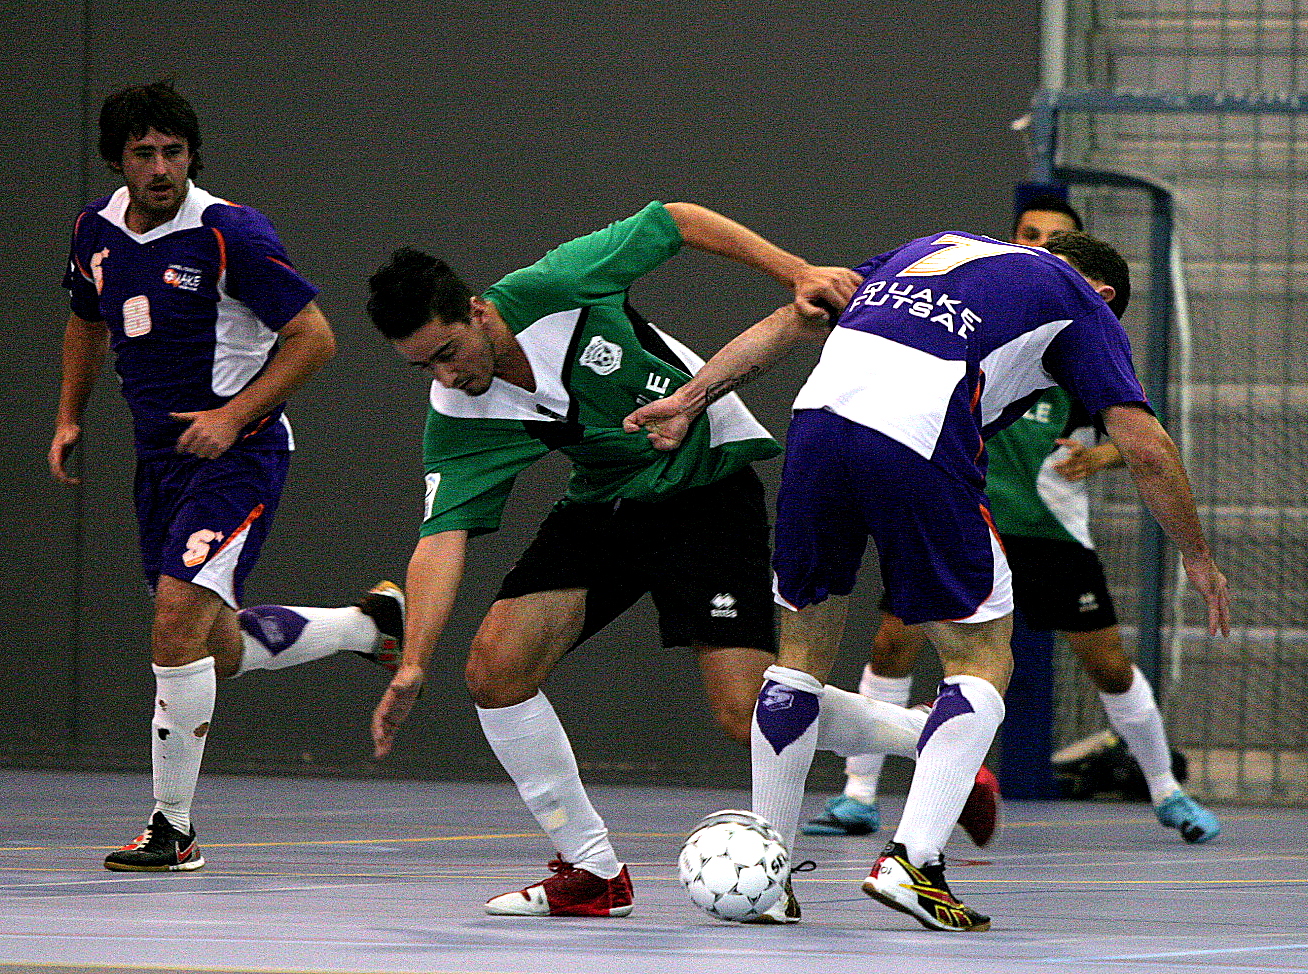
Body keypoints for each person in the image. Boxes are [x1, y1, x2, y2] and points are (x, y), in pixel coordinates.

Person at [364, 201, 997, 921]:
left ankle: (931, 740)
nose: (444, 377)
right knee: (493, 673)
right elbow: (439, 540)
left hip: (706, 486)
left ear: (478, 313)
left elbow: (679, 220)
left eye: (447, 353)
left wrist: (798, 273)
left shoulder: (558, 285)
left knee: (744, 711)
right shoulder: (457, 412)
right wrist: (415, 661)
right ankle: (593, 872)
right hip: (606, 502)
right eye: (423, 368)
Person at [626, 228, 1230, 931]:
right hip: (916, 431)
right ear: (1102, 294)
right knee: (981, 657)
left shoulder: (927, 247)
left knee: (798, 660)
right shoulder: (1081, 301)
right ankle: (915, 862)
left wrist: (691, 397)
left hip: (818, 421)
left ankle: (769, 872)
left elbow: (796, 316)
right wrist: (1196, 555)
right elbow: (1147, 449)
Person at [51, 81, 404, 873]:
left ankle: (173, 828)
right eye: (143, 153)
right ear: (118, 161)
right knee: (207, 647)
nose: (160, 167)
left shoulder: (226, 232)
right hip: (160, 467)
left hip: (240, 455)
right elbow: (86, 320)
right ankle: (368, 627)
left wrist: (232, 416)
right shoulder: (95, 232)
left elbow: (314, 338)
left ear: (190, 156)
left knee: (175, 618)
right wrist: (70, 415)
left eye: (172, 151)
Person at [804, 198, 1220, 845]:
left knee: (1107, 662)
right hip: (958, 507)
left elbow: (1134, 440)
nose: (1044, 250)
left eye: (1059, 241)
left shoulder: (1085, 338)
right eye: (1033, 238)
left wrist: (1096, 457)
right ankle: (861, 795)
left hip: (1049, 524)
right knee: (894, 640)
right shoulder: (979, 313)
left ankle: (1166, 790)